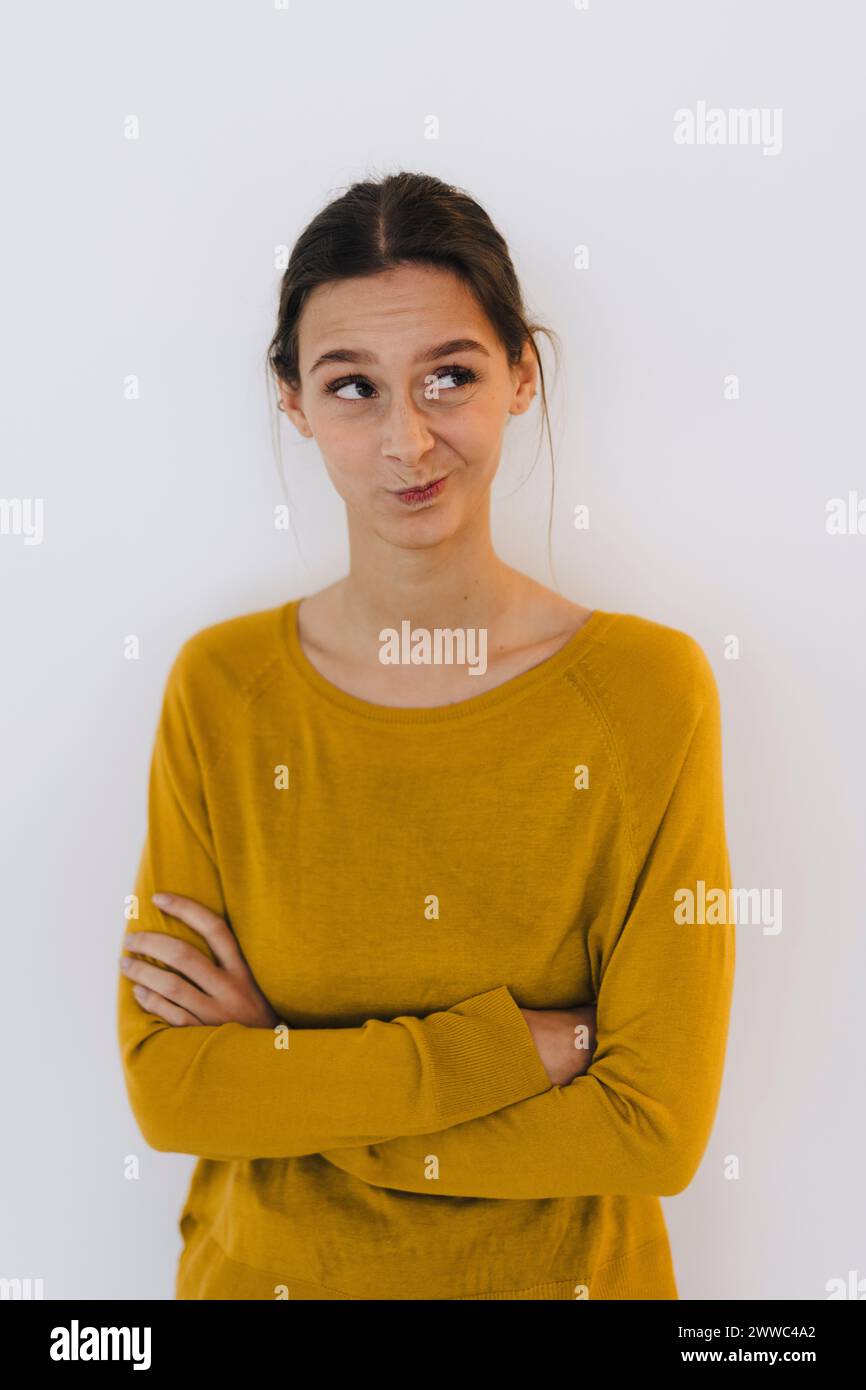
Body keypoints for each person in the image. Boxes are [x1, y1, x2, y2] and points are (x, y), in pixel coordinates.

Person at [117, 170, 735, 1301]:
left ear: (520, 376)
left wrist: (292, 1083)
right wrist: (506, 1053)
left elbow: (652, 1130)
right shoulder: (223, 690)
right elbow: (176, 1092)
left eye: (448, 376)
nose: (407, 438)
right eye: (352, 387)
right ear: (294, 402)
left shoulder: (648, 694)